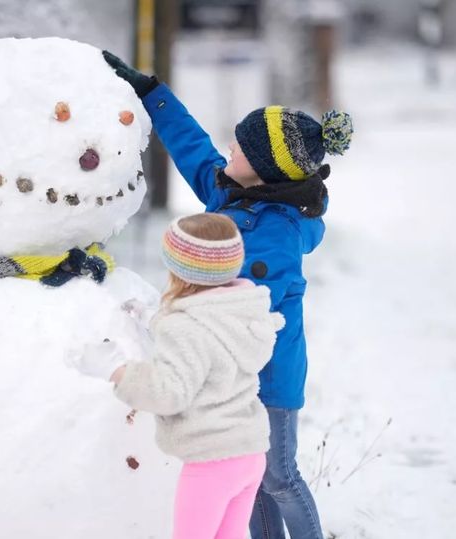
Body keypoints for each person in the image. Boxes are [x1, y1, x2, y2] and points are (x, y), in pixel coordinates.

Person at [101, 50, 353, 539]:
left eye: (238, 151)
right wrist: (152, 93)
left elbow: (246, 310)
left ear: (261, 170)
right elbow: (193, 148)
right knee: (251, 477)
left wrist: (174, 323)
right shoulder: (233, 195)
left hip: (270, 377)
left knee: (278, 477)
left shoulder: (277, 233)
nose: (227, 155)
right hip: (233, 376)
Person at [67, 212, 284, 539]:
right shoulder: (242, 311)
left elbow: (169, 392)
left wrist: (116, 369)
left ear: (181, 270)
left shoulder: (186, 327)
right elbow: (208, 338)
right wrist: (153, 319)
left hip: (212, 463)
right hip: (250, 454)